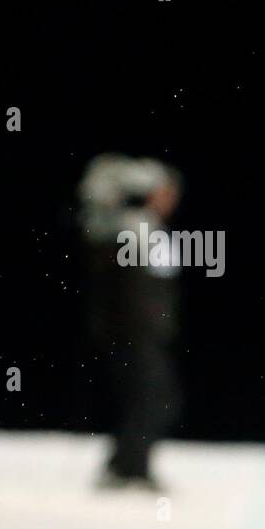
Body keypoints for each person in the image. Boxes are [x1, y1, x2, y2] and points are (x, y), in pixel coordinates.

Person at [78, 154, 183, 488]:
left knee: (150, 397)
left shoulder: (142, 231)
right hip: (135, 335)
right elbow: (133, 295)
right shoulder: (129, 232)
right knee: (153, 397)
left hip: (140, 334)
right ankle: (129, 467)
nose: (169, 201)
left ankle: (125, 463)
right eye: (164, 192)